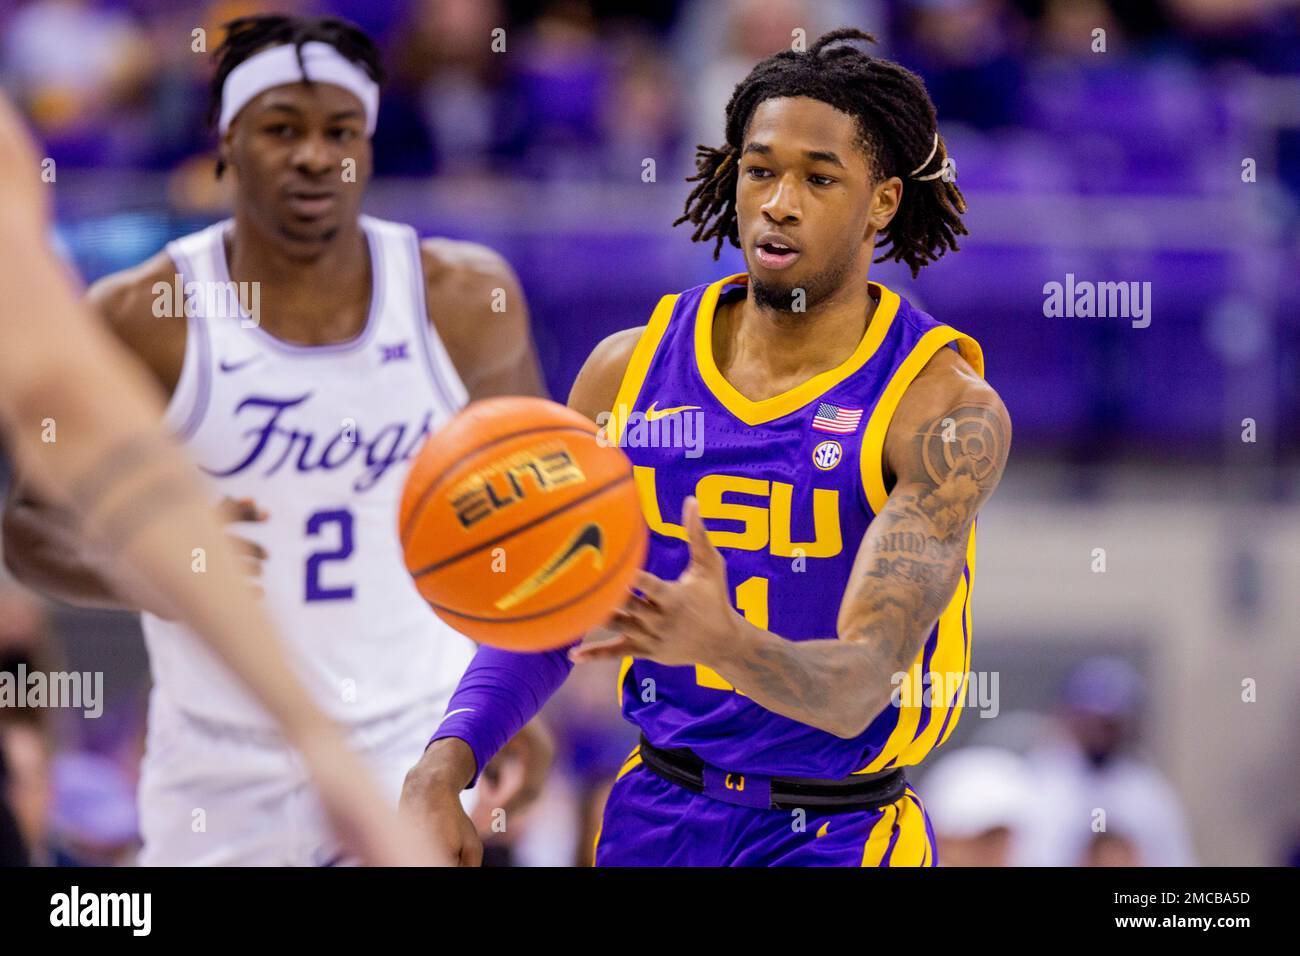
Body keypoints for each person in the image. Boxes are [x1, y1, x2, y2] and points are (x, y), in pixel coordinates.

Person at [404, 28, 1012, 867]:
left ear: (882, 201)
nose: (780, 201)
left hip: (840, 832)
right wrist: (446, 762)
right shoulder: (628, 370)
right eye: (760, 171)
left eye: (819, 177)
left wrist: (722, 643)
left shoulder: (942, 409)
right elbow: (547, 610)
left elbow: (861, 685)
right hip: (655, 810)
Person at [2, 14, 551, 866]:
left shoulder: (463, 302)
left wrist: (508, 711)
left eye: (340, 131)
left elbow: (535, 522)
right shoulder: (146, 316)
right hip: (218, 770)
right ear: (226, 139)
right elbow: (29, 532)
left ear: (369, 145)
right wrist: (159, 564)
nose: (312, 156)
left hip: (416, 744)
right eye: (281, 129)